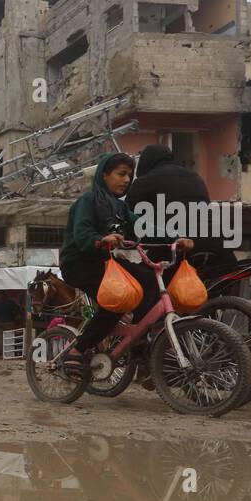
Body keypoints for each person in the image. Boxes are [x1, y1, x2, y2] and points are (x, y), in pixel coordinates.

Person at [58, 153, 192, 379]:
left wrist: (175, 238)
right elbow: (81, 234)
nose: (127, 179)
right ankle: (76, 350)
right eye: (121, 174)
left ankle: (136, 344)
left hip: (107, 263)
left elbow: (143, 227)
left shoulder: (120, 208)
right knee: (118, 300)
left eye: (129, 175)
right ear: (104, 175)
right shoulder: (87, 201)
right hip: (80, 263)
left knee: (150, 282)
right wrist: (100, 240)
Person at [125, 143, 231, 273]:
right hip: (215, 245)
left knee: (143, 281)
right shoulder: (195, 177)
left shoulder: (144, 182)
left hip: (177, 246)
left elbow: (129, 217)